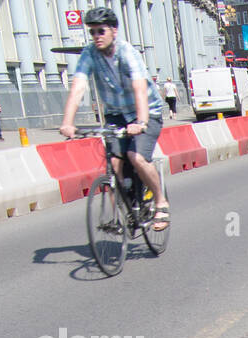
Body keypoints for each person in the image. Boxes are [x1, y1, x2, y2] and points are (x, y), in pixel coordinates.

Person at [60, 8, 169, 231]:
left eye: (101, 30)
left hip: (147, 110)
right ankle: (121, 214)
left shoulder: (126, 52)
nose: (97, 36)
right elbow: (79, 86)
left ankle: (160, 202)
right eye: (92, 32)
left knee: (136, 156)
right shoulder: (89, 54)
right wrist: (67, 123)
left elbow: (139, 88)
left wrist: (141, 122)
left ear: (114, 31)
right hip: (116, 114)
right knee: (113, 163)